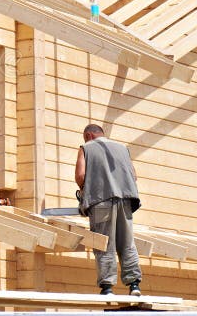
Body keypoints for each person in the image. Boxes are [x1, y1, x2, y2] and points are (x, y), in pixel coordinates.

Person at [75, 123, 142, 296]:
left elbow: (80, 176)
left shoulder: (85, 148)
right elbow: (134, 176)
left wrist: (85, 191)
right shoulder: (122, 148)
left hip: (101, 201)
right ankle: (134, 285)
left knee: (105, 244)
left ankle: (107, 287)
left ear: (89, 135)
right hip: (125, 200)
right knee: (127, 243)